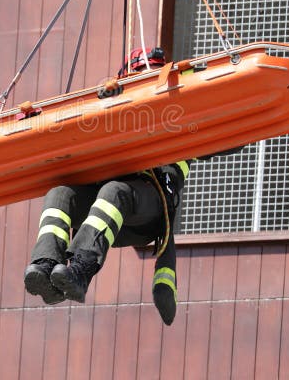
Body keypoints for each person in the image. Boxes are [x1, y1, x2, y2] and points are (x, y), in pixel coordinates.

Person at [23, 47, 186, 326]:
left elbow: (230, 138)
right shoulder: (112, 109)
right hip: (107, 213)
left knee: (115, 191)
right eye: (137, 75)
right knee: (60, 195)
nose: (144, 80)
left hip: (148, 207)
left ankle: (81, 269)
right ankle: (46, 267)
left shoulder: (181, 112)